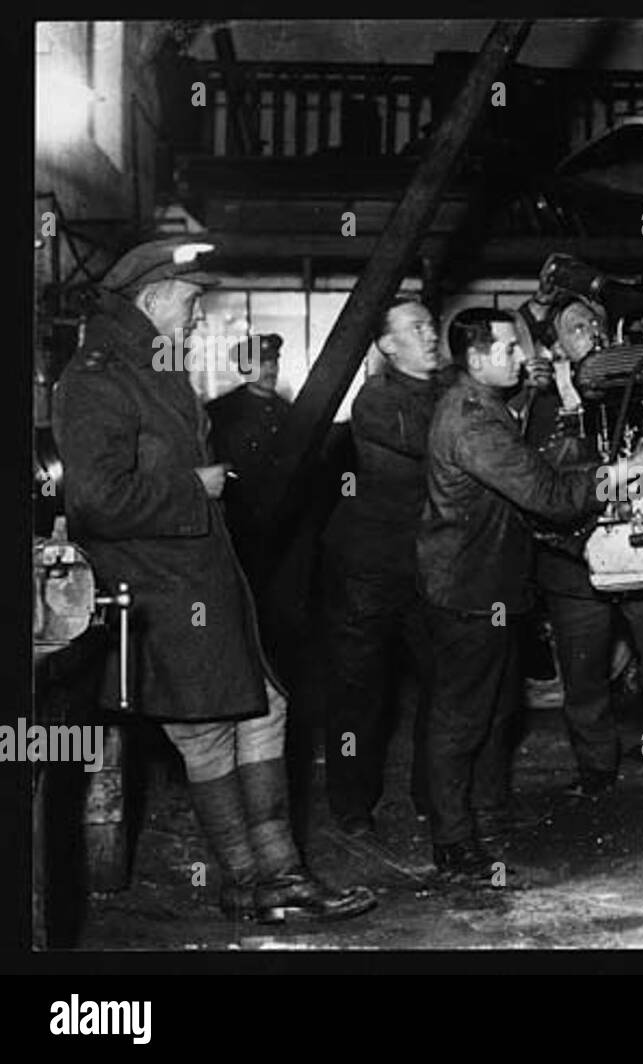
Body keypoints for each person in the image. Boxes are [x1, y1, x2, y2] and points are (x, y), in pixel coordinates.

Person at [52, 236, 375, 923]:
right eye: (192, 300)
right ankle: (257, 877)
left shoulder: (151, 365)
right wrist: (192, 486)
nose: (200, 315)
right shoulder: (97, 378)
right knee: (211, 731)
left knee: (259, 711)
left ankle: (267, 878)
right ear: (152, 298)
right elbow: (94, 502)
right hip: (159, 590)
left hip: (200, 580)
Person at [417, 307, 643, 882]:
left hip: (494, 584)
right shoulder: (471, 421)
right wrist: (627, 469)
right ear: (476, 358)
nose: (521, 356)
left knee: (498, 710)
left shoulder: (488, 405)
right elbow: (550, 495)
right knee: (461, 720)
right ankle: (454, 844)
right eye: (508, 349)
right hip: (467, 589)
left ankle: (485, 815)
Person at [519, 277, 643, 805]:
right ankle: (595, 771)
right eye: (576, 329)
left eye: (595, 325)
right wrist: (566, 408)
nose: (592, 334)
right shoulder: (540, 407)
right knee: (584, 676)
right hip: (572, 560)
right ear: (556, 348)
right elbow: (551, 486)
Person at [316, 299, 453, 837]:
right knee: (359, 691)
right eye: (415, 326)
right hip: (367, 569)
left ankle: (431, 795)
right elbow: (441, 445)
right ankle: (352, 806)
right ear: (387, 345)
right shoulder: (377, 400)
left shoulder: (448, 390)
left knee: (442, 683)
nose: (430, 332)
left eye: (431, 322)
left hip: (428, 565)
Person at [205, 332, 290, 584]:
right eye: (260, 363)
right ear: (244, 367)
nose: (270, 370)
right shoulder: (221, 412)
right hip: (238, 524)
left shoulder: (290, 413)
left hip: (281, 526)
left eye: (273, 362)